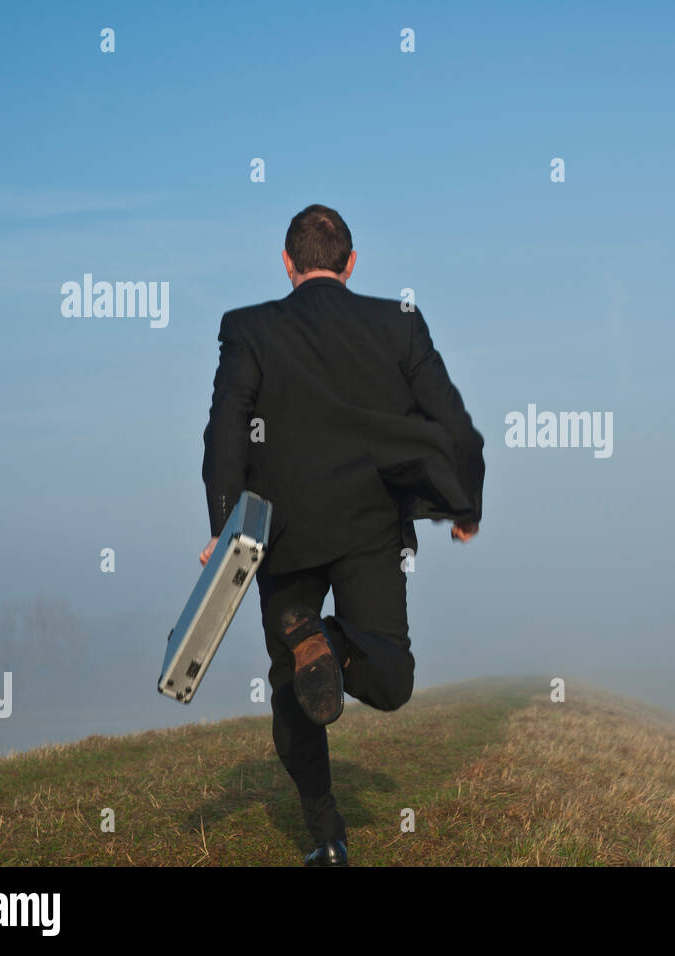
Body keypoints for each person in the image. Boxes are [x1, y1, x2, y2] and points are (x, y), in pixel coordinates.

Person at [198, 204, 484, 866]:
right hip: (372, 529)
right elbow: (452, 420)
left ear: (287, 262)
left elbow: (225, 432)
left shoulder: (250, 329)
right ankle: (326, 643)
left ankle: (326, 835)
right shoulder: (399, 324)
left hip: (282, 532)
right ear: (352, 264)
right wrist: (464, 503)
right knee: (391, 678)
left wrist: (224, 529)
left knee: (293, 687)